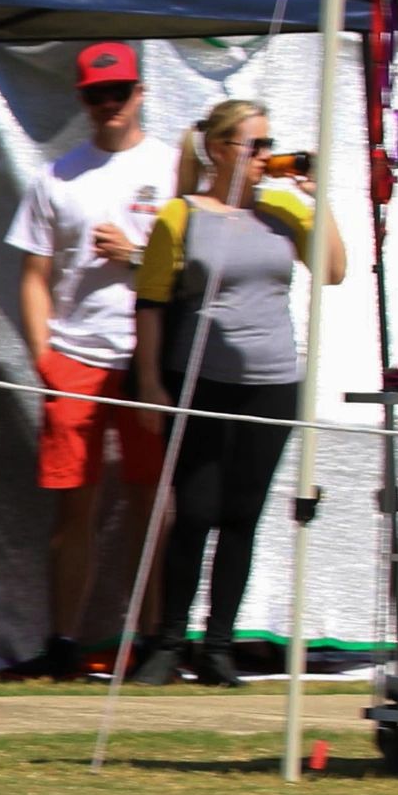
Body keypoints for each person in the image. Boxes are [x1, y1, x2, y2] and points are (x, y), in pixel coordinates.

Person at [127, 99, 345, 685]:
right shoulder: (180, 214)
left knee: (242, 515)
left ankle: (219, 646)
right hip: (199, 378)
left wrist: (315, 194)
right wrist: (149, 381)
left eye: (269, 144)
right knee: (194, 511)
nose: (265, 157)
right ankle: (171, 642)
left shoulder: (281, 212)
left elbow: (333, 270)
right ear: (221, 149)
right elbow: (149, 302)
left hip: (273, 382)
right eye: (254, 145)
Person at [3, 42, 178, 679]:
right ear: (81, 99)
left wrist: (137, 254)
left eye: (120, 92)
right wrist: (42, 353)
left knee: (153, 502)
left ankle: (156, 640)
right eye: (96, 94)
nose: (109, 104)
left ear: (140, 93)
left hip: (148, 358)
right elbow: (32, 272)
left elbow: (197, 267)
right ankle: (64, 642)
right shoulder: (56, 177)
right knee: (72, 506)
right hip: (75, 356)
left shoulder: (172, 169)